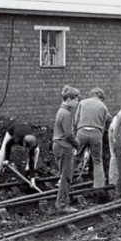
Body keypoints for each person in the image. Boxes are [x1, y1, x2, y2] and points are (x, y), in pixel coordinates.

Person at [73, 87, 110, 188]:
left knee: (75, 158)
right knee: (97, 161)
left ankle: (64, 181)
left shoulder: (82, 103)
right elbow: (103, 127)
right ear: (101, 98)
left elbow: (76, 121)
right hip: (96, 134)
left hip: (81, 132)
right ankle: (99, 186)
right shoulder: (104, 107)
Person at [53, 85, 81, 213]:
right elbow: (69, 135)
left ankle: (61, 202)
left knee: (64, 175)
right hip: (64, 146)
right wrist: (77, 145)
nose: (77, 102)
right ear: (69, 99)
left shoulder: (61, 111)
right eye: (75, 99)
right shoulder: (67, 113)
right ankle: (62, 205)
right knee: (66, 176)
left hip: (59, 145)